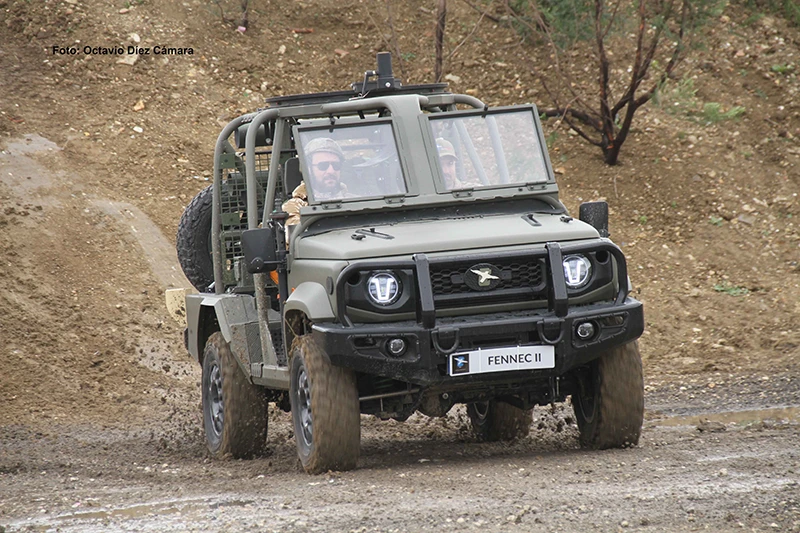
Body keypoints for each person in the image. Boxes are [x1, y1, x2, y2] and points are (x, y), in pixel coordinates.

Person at [282, 137, 350, 227]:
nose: (331, 171)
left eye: (336, 165)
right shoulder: (295, 207)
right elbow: (295, 233)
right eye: (323, 166)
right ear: (308, 169)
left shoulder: (353, 200)